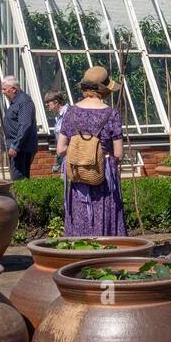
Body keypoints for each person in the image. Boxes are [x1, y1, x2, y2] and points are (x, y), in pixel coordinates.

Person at [56, 66, 126, 237]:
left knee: (80, 217)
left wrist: (81, 153)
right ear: (103, 90)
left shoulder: (70, 112)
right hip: (103, 179)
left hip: (78, 176)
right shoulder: (111, 114)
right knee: (105, 217)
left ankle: (79, 254)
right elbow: (118, 153)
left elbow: (60, 149)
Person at [1, 75, 38, 180]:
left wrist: (15, 145)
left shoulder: (24, 102)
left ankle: (21, 197)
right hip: (16, 147)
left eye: (4, 89)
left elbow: (25, 125)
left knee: (19, 179)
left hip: (21, 149)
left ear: (13, 89)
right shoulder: (15, 102)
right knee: (16, 178)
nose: (3, 92)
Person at [43, 91, 67, 174]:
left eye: (48, 103)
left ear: (56, 102)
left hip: (71, 156)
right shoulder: (58, 117)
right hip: (63, 156)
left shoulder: (68, 114)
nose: (46, 106)